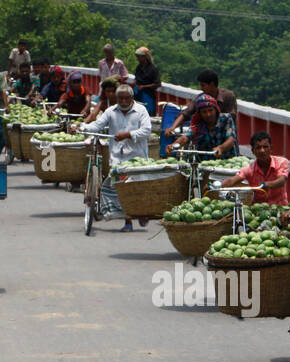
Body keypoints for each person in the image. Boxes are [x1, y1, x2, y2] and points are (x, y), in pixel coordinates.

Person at [78, 84, 152, 231]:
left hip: (137, 157)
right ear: (116, 99)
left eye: (126, 98)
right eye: (121, 99)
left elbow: (146, 130)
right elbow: (97, 125)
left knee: (136, 189)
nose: (124, 102)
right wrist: (81, 128)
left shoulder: (141, 110)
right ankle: (128, 221)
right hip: (117, 157)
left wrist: (128, 134)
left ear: (132, 98)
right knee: (121, 189)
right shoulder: (110, 111)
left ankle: (142, 212)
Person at [217, 130, 290, 204]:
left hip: (280, 207)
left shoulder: (282, 162)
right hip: (257, 209)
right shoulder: (249, 169)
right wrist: (217, 185)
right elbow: (232, 181)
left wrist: (267, 184)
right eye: (258, 147)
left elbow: (282, 180)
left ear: (271, 148)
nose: (262, 150)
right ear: (253, 151)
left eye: (265, 147)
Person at [165, 69, 236, 138]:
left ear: (211, 84)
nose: (201, 88)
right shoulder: (200, 99)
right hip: (205, 136)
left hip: (225, 135)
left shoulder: (228, 96)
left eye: (203, 85)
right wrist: (172, 128)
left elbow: (231, 116)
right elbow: (186, 113)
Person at [168, 94, 235, 158]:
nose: (208, 114)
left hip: (226, 160)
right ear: (200, 114)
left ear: (216, 110)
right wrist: (173, 145)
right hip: (205, 163)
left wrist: (221, 148)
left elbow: (231, 139)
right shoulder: (198, 124)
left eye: (210, 110)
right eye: (204, 112)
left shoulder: (226, 118)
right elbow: (186, 137)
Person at [131, 47, 160, 116]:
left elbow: (158, 84)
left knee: (146, 114)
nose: (137, 59)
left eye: (139, 57)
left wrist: (144, 86)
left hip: (148, 96)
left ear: (145, 57)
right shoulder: (139, 67)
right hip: (138, 94)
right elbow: (137, 79)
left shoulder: (153, 69)